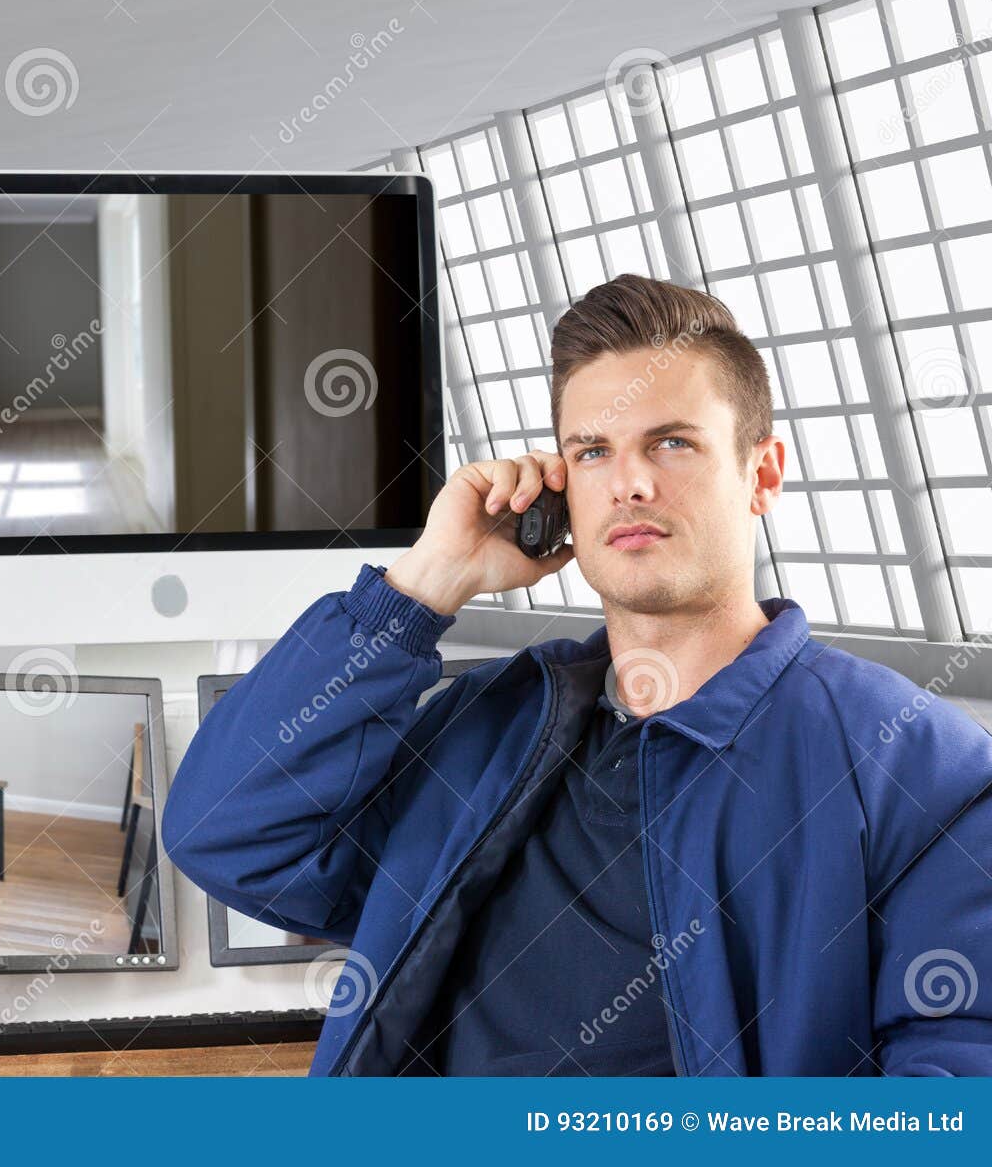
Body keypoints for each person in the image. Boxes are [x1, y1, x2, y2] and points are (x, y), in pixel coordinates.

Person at [162, 274, 992, 1077]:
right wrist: (424, 587)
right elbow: (228, 833)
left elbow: (956, 1080)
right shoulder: (489, 729)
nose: (628, 481)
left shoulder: (921, 768)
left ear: (762, 473)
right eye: (592, 451)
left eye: (672, 441)